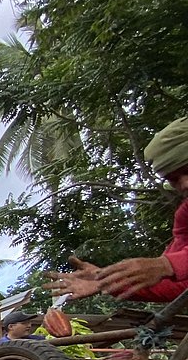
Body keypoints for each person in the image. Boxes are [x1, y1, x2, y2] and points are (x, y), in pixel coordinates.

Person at [45, 117, 188, 302]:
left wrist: (167, 265)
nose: (184, 184)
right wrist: (106, 280)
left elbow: (173, 267)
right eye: (173, 179)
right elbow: (179, 285)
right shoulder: (185, 217)